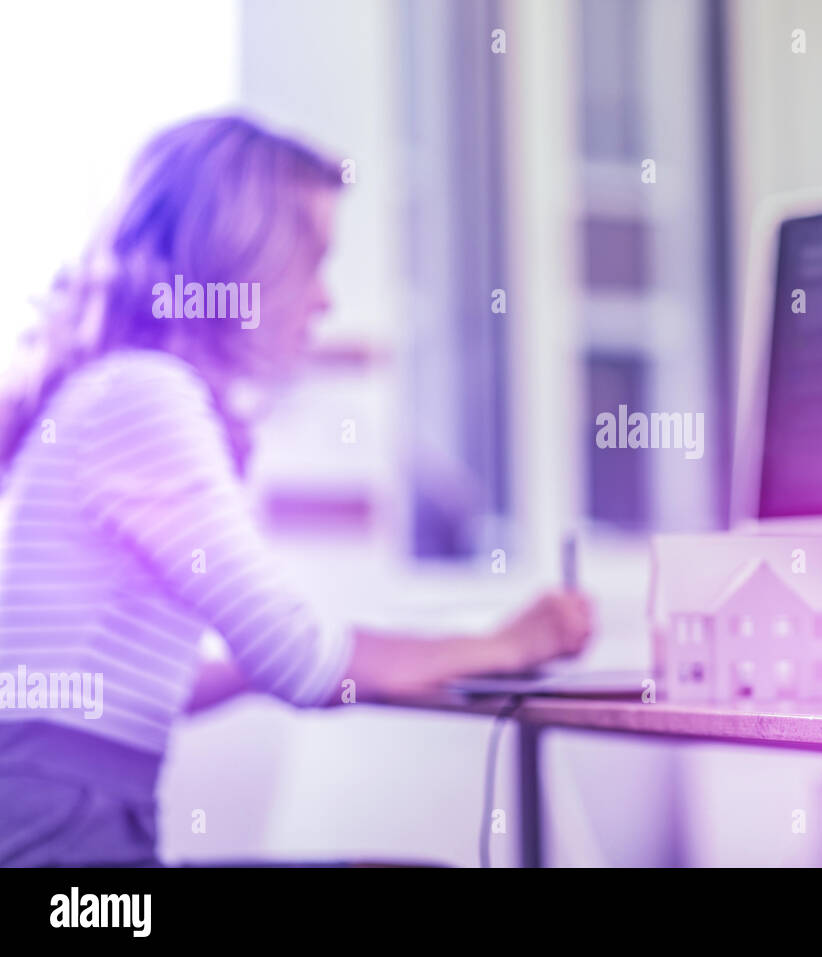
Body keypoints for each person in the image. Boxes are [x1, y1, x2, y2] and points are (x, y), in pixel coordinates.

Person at [0, 114, 591, 866]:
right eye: (312, 264)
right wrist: (512, 640)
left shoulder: (112, 391)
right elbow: (301, 661)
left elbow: (145, 686)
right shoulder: (144, 397)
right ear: (238, 265)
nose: (324, 301)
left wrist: (260, 668)